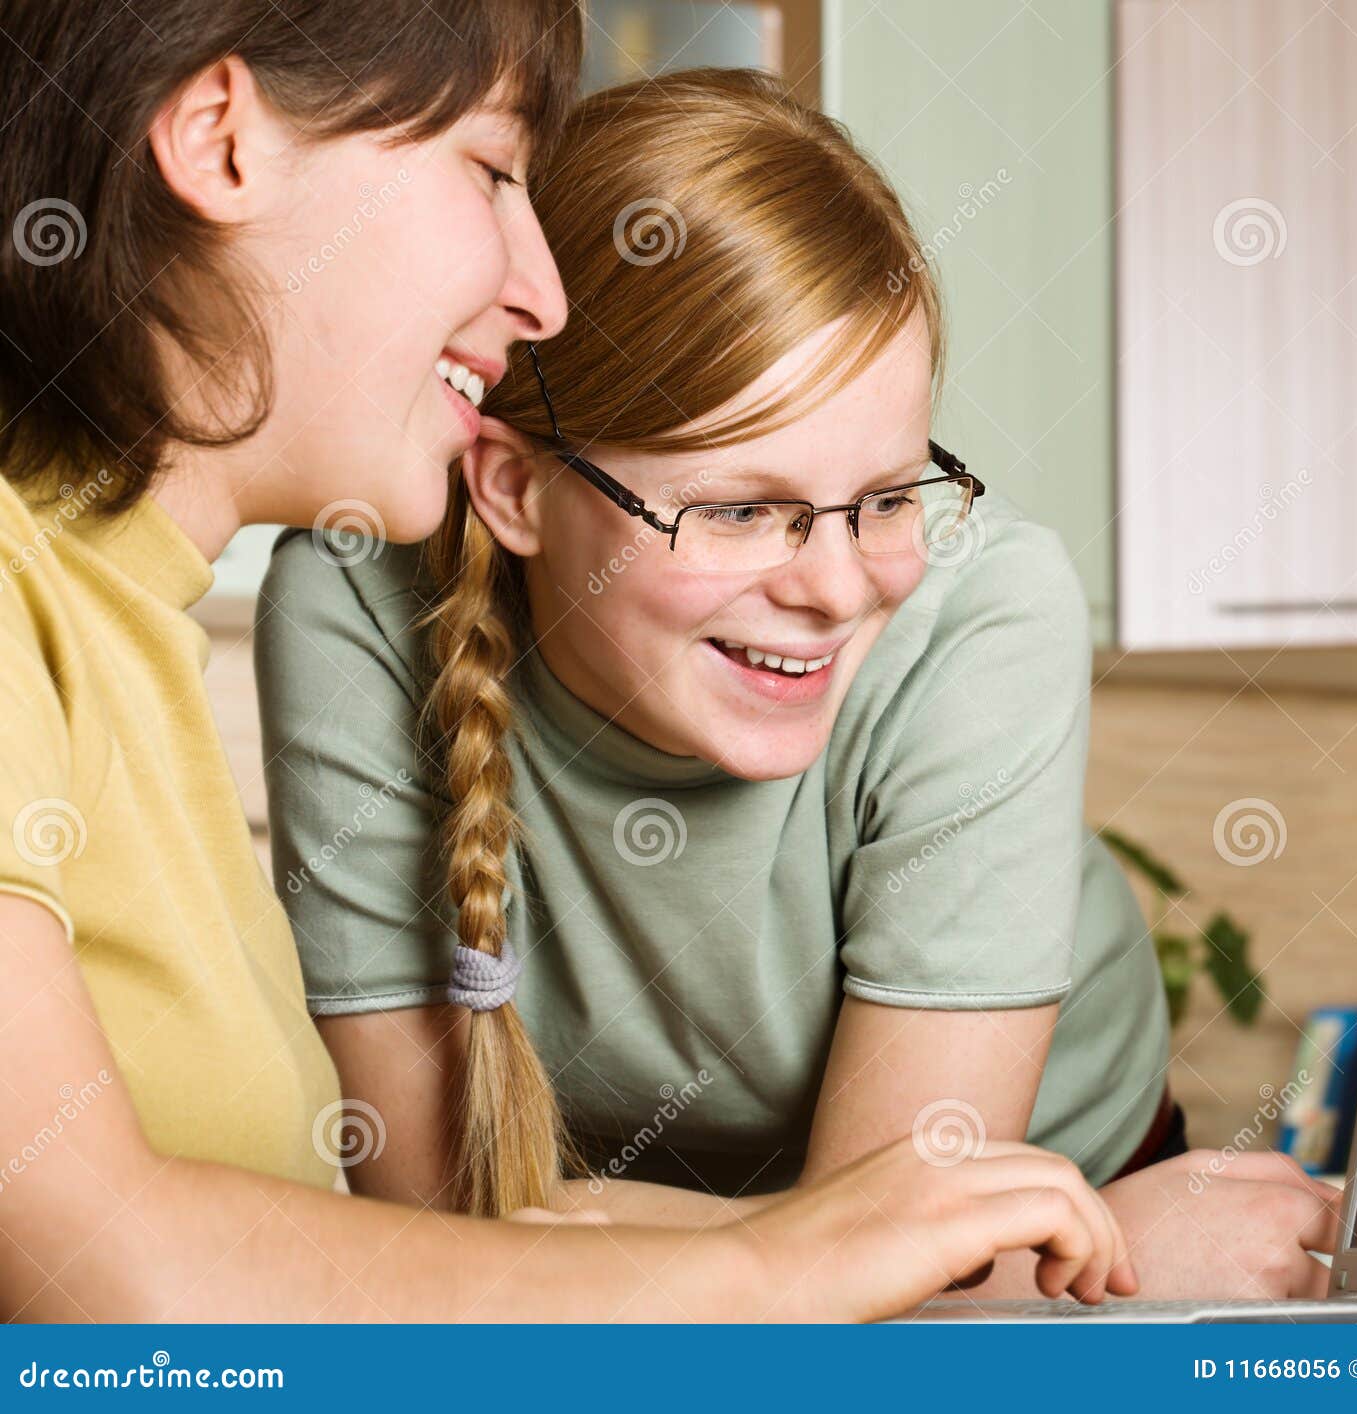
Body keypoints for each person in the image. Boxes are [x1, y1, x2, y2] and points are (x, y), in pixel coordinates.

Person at [0, 0, 1140, 1321]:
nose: (537, 292)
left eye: (884, 499)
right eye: (489, 171)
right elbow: (99, 1258)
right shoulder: (116, 596)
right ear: (219, 142)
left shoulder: (122, 613)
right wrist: (785, 1260)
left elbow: (332, 1253)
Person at [259, 67, 1343, 1301]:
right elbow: (428, 1223)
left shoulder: (982, 613)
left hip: (1047, 1252)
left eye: (886, 497)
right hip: (1085, 1247)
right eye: (738, 511)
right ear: (512, 491)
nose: (836, 589)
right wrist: (1108, 1248)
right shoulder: (352, 593)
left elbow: (897, 1267)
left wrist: (580, 1237)